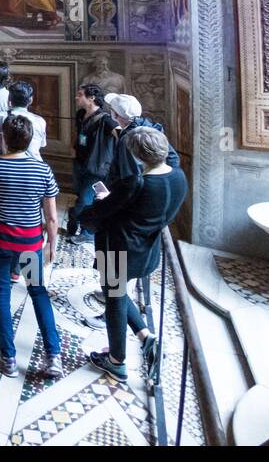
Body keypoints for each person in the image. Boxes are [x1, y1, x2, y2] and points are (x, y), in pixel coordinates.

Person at [77, 128, 188, 382]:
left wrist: (93, 207)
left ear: (137, 155)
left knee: (114, 299)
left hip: (118, 248)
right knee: (118, 294)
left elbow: (103, 211)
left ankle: (116, 360)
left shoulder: (137, 183)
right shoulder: (179, 177)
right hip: (147, 249)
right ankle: (146, 337)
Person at [0, 115, 63, 378]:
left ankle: (8, 358)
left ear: (4, 139)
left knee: (1, 294)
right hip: (30, 243)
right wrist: (51, 245)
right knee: (38, 292)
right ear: (30, 140)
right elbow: (52, 217)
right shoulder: (42, 170)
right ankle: (53, 355)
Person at [67, 83, 116, 241]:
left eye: (80, 95)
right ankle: (81, 226)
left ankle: (84, 230)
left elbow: (121, 133)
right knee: (82, 195)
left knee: (84, 200)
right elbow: (79, 132)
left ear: (92, 98)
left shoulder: (106, 120)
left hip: (96, 167)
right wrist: (73, 146)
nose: (77, 97)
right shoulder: (81, 113)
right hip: (80, 162)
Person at [104, 93, 180, 184]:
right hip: (160, 184)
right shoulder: (152, 129)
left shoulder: (128, 139)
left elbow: (130, 176)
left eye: (111, 109)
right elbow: (173, 157)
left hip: (140, 192)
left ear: (115, 115)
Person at [6, 80, 48, 161]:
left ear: (9, 99)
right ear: (30, 99)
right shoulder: (39, 121)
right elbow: (42, 144)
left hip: (4, 165)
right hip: (34, 165)